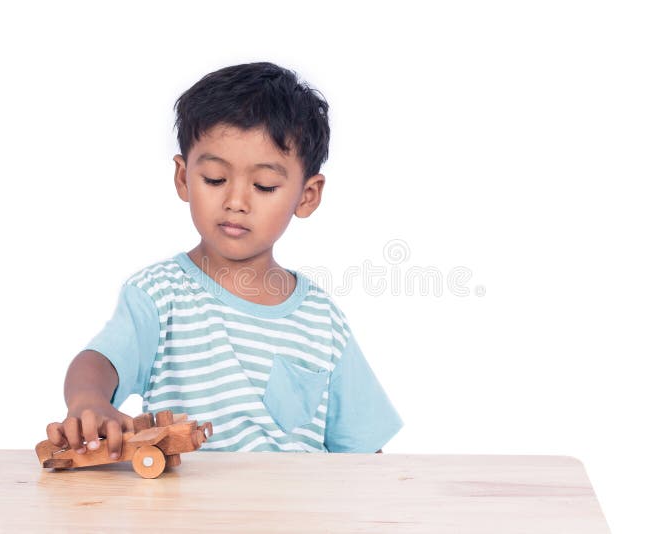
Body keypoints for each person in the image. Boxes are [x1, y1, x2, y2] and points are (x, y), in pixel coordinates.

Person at [45, 62, 403, 458]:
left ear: (307, 196)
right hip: (191, 500)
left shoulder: (322, 321)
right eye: (215, 179)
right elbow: (99, 360)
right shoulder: (159, 296)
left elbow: (364, 454)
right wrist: (88, 401)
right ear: (183, 177)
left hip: (299, 500)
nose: (235, 201)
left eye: (264, 186)